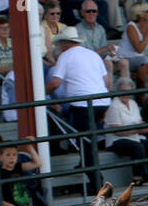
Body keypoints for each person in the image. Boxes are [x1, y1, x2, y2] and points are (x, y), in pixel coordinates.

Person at [46, 25, 113, 191]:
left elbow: (55, 83)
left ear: (64, 43)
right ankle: (86, 166)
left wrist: (40, 94)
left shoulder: (65, 56)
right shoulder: (93, 55)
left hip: (83, 104)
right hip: (102, 100)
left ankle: (97, 183)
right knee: (89, 139)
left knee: (86, 141)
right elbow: (107, 83)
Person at [104, 79, 148, 185]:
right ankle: (138, 177)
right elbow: (118, 131)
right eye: (123, 91)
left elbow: (139, 121)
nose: (126, 94)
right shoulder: (113, 106)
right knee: (138, 147)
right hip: (117, 140)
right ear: (118, 91)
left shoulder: (133, 103)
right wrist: (142, 129)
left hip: (135, 137)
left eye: (129, 91)